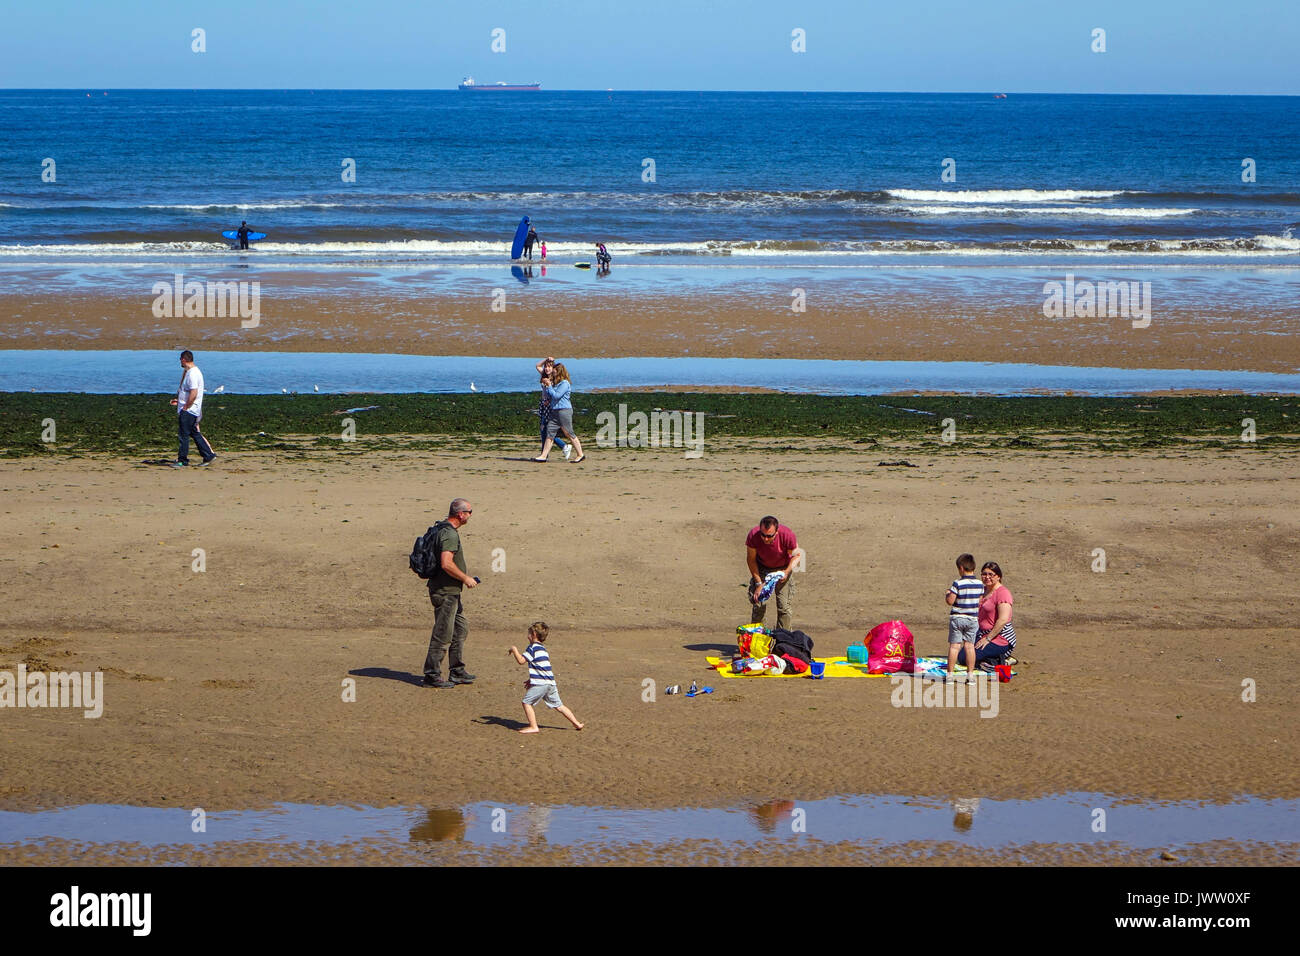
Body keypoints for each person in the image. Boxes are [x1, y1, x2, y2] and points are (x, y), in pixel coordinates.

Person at [421, 498, 479, 688]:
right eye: (469, 511)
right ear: (460, 514)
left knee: (460, 628)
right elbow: (446, 563)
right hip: (445, 592)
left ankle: (457, 670)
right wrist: (465, 578)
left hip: (450, 592)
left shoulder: (443, 529)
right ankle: (431, 675)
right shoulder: (449, 534)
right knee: (443, 632)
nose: (471, 515)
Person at [508, 621, 583, 734]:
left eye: (528, 633)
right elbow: (542, 668)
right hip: (550, 683)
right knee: (559, 706)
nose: (527, 636)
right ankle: (577, 723)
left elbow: (521, 661)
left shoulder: (532, 648)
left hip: (541, 684)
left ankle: (534, 727)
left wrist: (514, 650)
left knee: (526, 703)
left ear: (533, 634)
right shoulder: (543, 649)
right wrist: (531, 680)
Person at [957, 561, 1018, 672]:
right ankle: (992, 658)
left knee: (968, 658)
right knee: (962, 656)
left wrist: (988, 639)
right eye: (984, 574)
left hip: (1000, 638)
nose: (987, 577)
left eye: (991, 574)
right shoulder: (983, 590)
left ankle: (1000, 660)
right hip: (981, 634)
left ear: (998, 576)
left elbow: (1003, 619)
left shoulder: (1003, 593)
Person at [745, 516, 801, 630]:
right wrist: (758, 583)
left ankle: (783, 639)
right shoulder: (753, 536)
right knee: (758, 602)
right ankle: (758, 636)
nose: (765, 539)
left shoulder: (787, 535)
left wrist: (786, 571)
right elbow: (751, 560)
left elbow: (797, 555)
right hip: (762, 568)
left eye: (769, 536)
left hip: (783, 568)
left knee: (783, 606)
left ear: (776, 531)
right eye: (763, 535)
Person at [168, 350, 216, 467]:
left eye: (180, 359)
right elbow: (185, 390)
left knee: (183, 435)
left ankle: (182, 460)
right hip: (189, 409)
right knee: (194, 433)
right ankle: (208, 455)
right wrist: (179, 401)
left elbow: (194, 392)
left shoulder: (193, 373)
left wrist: (186, 406)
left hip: (189, 410)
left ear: (183, 360)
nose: (180, 361)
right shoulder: (189, 372)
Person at [533, 362, 585, 463]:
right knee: (550, 433)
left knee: (569, 433)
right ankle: (543, 456)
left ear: (559, 372)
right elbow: (552, 396)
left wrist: (549, 386)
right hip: (554, 411)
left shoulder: (565, 383)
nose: (553, 371)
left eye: (555, 370)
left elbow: (557, 396)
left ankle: (580, 454)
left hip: (564, 411)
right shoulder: (557, 383)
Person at [944, 553, 982, 681]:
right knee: (970, 646)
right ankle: (970, 675)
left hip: (958, 617)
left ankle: (950, 675)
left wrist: (948, 594)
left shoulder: (957, 583)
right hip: (972, 618)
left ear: (961, 568)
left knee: (955, 646)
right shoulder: (979, 584)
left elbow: (950, 601)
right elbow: (980, 601)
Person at [534, 357, 570, 459]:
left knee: (546, 429)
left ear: (553, 368)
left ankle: (562, 446)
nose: (547, 369)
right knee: (543, 429)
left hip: (550, 406)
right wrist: (546, 359)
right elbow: (537, 366)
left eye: (549, 367)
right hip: (543, 405)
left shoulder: (554, 379)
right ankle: (545, 453)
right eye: (546, 367)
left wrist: (548, 401)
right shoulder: (544, 375)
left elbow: (555, 393)